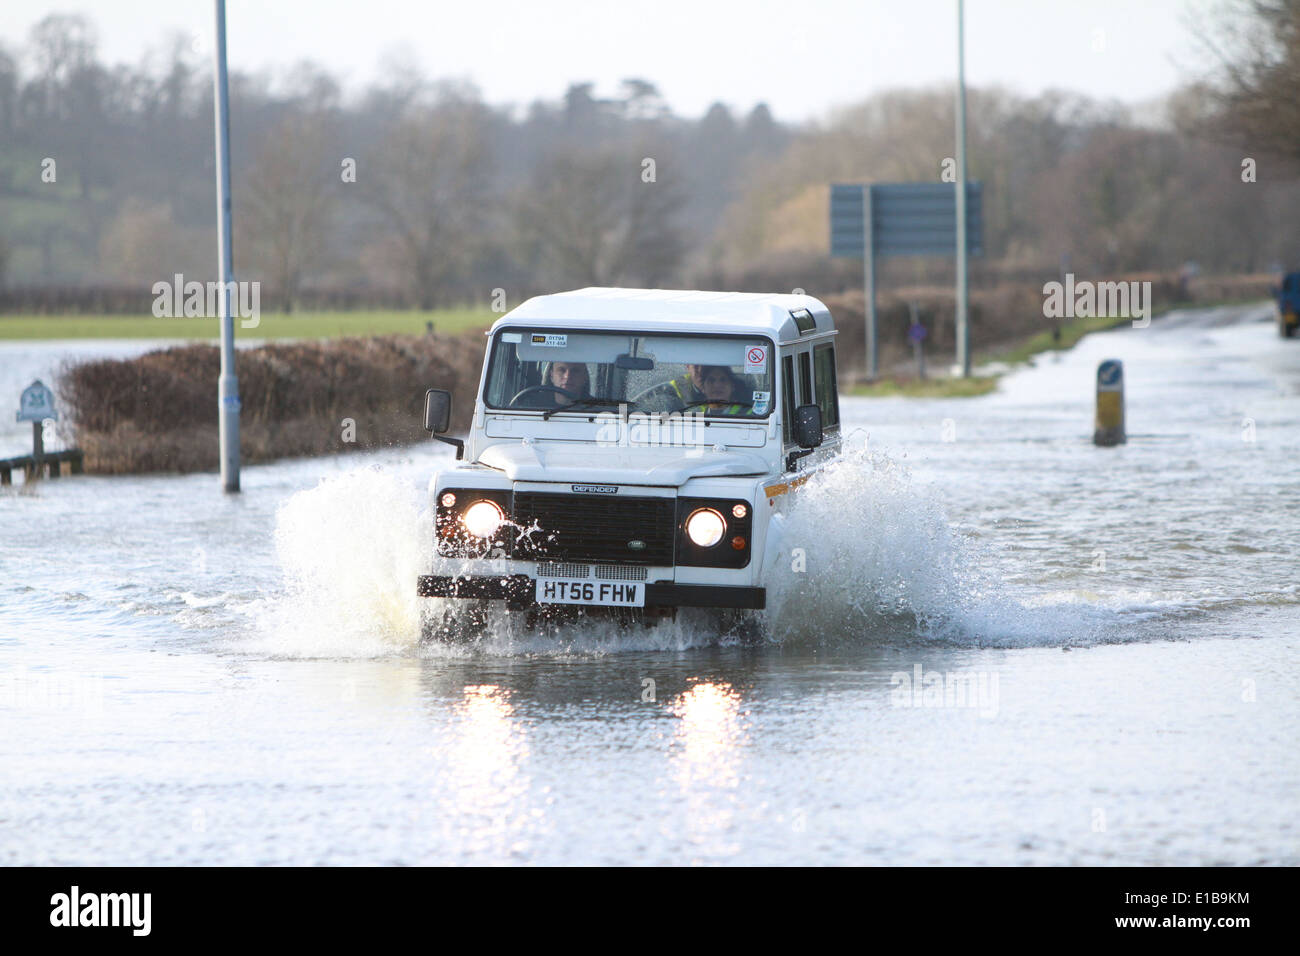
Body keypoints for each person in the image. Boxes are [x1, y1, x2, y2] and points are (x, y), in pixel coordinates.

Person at [666, 364, 748, 414]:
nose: (717, 385)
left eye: (723, 380)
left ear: (732, 386)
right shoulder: (695, 417)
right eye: (711, 380)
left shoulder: (749, 415)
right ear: (703, 388)